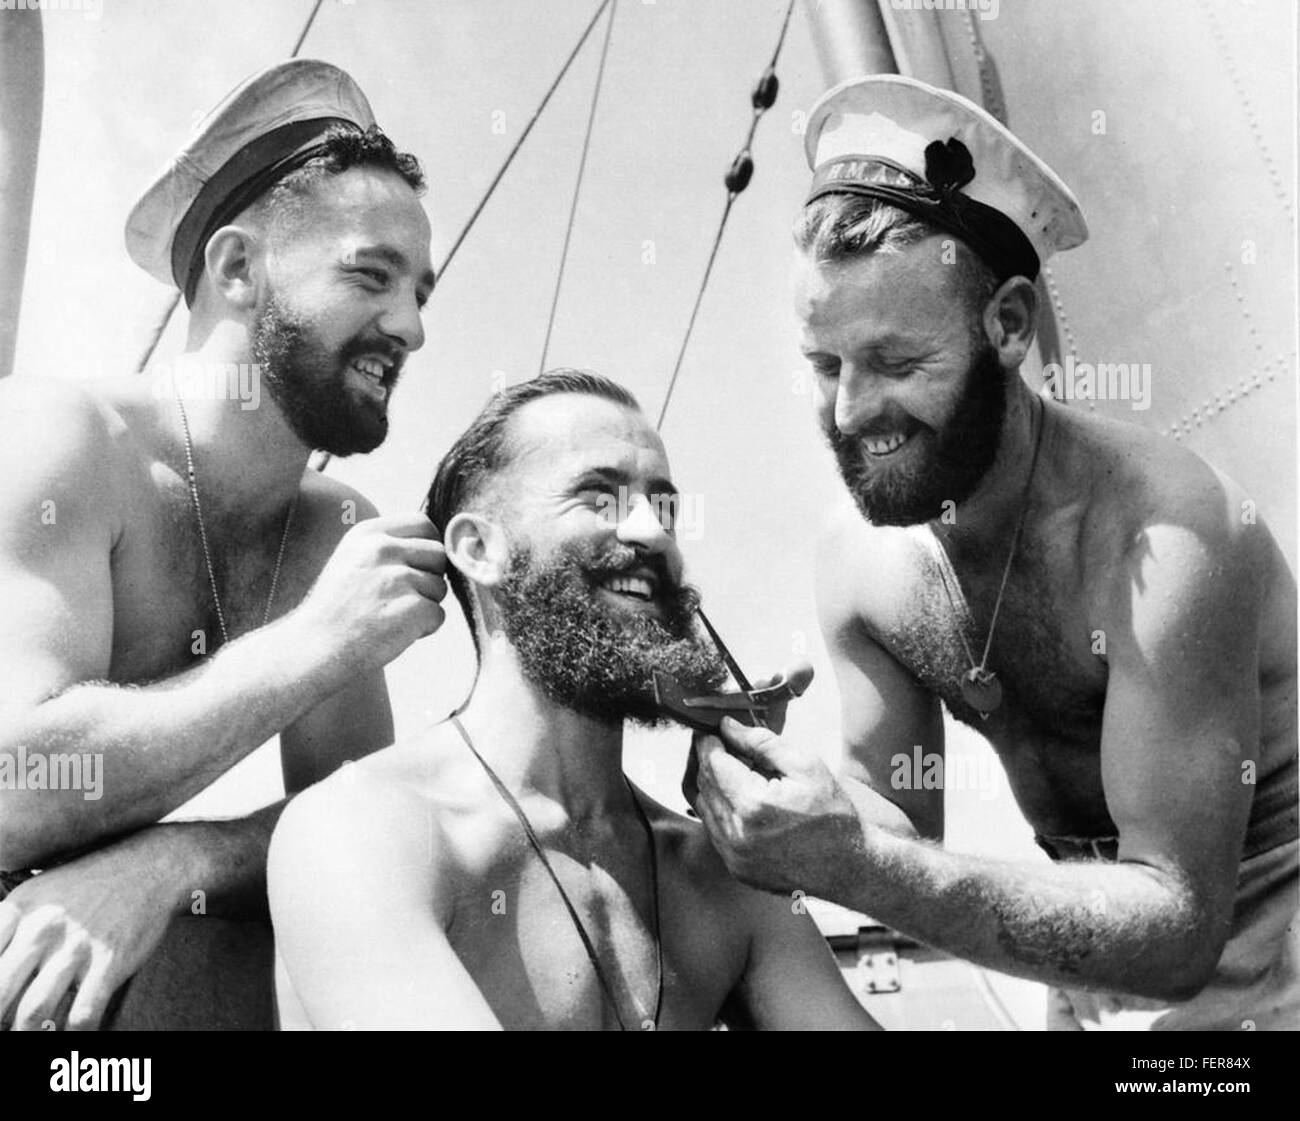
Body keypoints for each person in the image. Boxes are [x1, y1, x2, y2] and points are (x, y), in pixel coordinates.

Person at [691, 75, 1298, 1030]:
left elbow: (1179, 927)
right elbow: (893, 831)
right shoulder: (865, 568)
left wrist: (856, 855)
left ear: (1009, 326)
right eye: (824, 365)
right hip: (1089, 956)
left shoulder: (1166, 534)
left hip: (1266, 946)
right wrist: (765, 776)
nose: (850, 413)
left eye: (897, 364)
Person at [0, 59, 447, 1030]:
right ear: (238, 270)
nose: (409, 326)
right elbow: (14, 790)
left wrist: (179, 861)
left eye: (420, 290)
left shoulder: (333, 532)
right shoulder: (60, 437)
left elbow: (357, 827)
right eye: (371, 276)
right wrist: (315, 643)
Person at [268, 370, 879, 1030]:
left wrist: (830, 848)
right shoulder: (366, 829)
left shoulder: (720, 874)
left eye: (664, 507)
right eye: (600, 498)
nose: (654, 534)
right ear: (479, 549)